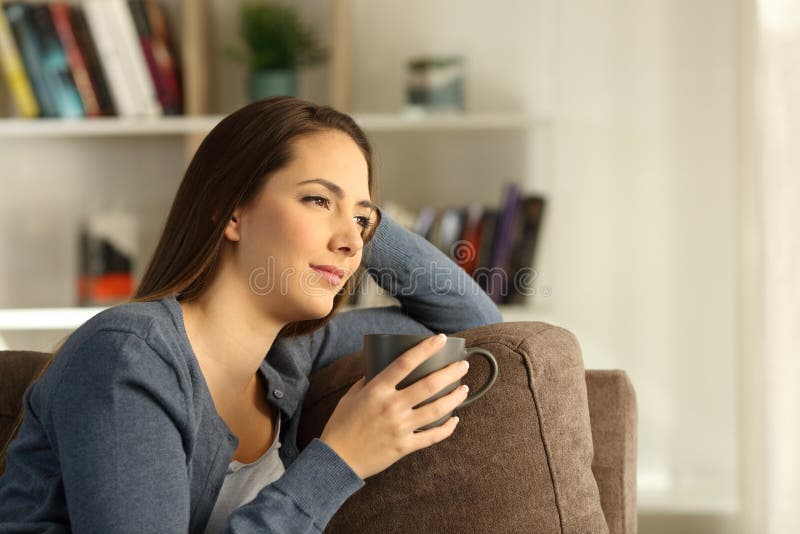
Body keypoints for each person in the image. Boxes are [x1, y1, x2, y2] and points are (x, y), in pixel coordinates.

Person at [0, 96, 502, 533]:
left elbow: (480, 326)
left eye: (361, 221)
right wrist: (340, 460)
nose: (350, 241)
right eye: (315, 199)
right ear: (231, 211)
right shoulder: (129, 356)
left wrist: (357, 216)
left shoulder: (289, 357)